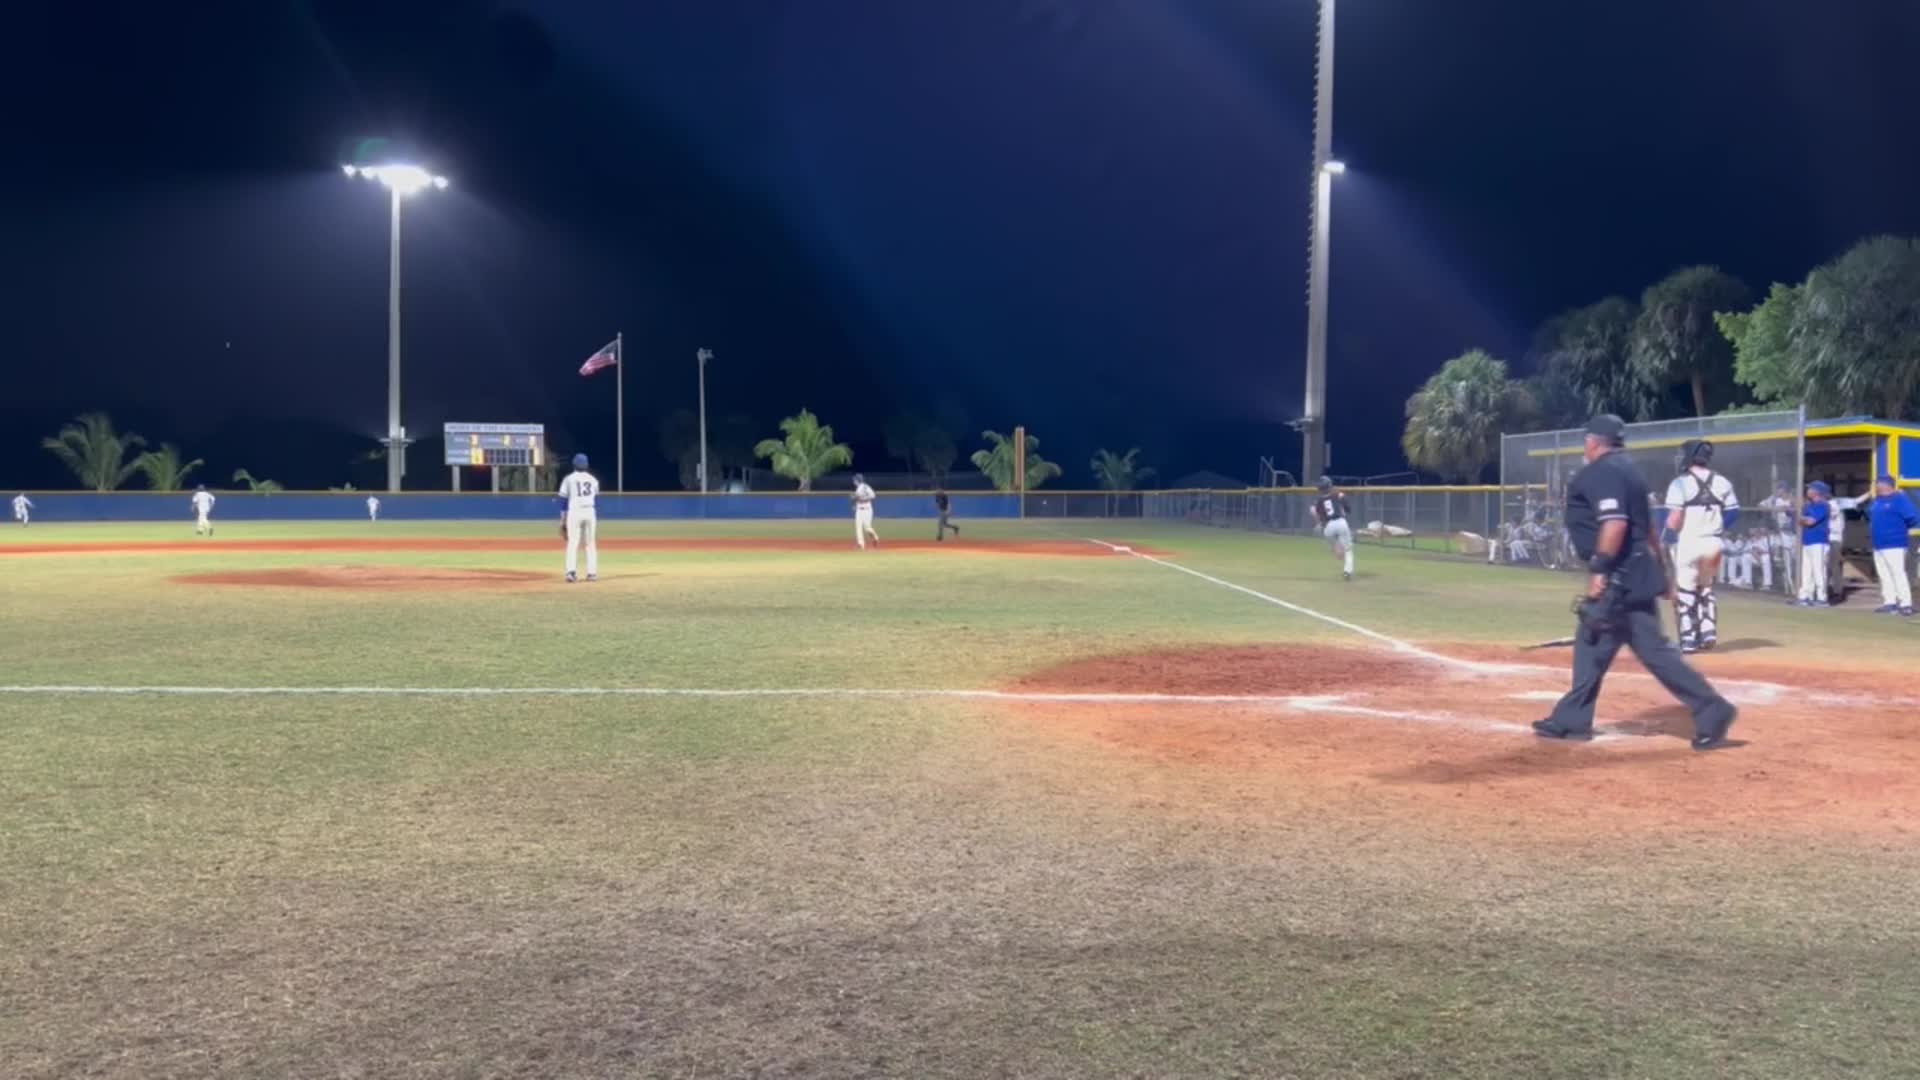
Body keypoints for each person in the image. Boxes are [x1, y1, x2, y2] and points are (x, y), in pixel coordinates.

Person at [1534, 415, 1738, 750]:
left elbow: (1614, 524)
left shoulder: (1600, 473)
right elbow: (1650, 531)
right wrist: (1663, 574)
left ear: (1592, 441)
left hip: (1618, 576)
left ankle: (1711, 708)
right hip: (1637, 572)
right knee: (1602, 644)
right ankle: (1571, 718)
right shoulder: (1630, 472)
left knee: (1618, 642)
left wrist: (1600, 569)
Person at [1664, 439, 1739, 653]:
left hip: (1689, 541)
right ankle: (1708, 632)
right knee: (1705, 587)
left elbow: (1675, 518)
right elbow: (1733, 512)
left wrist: (1668, 531)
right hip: (1713, 542)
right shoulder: (1722, 481)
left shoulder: (1679, 483)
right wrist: (1717, 527)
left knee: (1686, 591)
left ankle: (1688, 639)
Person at [1862, 475, 1919, 616]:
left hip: (1895, 543)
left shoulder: (1899, 499)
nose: (1876, 486)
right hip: (1878, 543)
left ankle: (1906, 603)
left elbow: (1912, 518)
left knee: (1898, 573)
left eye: (1878, 484)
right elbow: (1868, 514)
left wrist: (1897, 529)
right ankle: (1890, 602)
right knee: (1884, 574)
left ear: (1887, 485)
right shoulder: (1877, 501)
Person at [558, 453, 599, 582]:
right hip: (590, 511)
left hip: (575, 512)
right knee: (590, 543)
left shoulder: (568, 479)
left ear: (574, 464)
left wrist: (563, 520)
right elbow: (595, 497)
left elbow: (563, 500)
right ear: (586, 465)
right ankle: (592, 573)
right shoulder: (593, 480)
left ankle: (571, 573)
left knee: (573, 542)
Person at [1310, 476, 1355, 581]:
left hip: (1329, 527)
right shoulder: (1337, 494)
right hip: (1341, 522)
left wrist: (1318, 523)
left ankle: (1336, 549)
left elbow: (1316, 512)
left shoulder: (1320, 500)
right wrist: (1346, 510)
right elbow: (1347, 505)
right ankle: (1347, 572)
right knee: (1348, 550)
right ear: (1330, 485)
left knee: (1336, 546)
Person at [1794, 482, 1832, 607]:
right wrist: (1802, 518)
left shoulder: (1823, 505)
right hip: (1807, 541)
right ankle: (1805, 597)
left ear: (1818, 492)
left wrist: (1802, 518)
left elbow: (1810, 521)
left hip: (1819, 542)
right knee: (1806, 571)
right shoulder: (1808, 505)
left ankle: (1822, 598)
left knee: (1819, 570)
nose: (1808, 490)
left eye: (1811, 488)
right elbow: (1798, 520)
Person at [851, 473, 879, 550]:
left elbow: (873, 496)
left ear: (858, 480)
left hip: (867, 509)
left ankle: (875, 537)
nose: (854, 481)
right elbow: (872, 495)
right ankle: (860, 544)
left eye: (855, 480)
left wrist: (857, 499)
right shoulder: (865, 487)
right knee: (859, 527)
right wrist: (854, 504)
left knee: (867, 528)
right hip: (860, 509)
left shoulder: (862, 488)